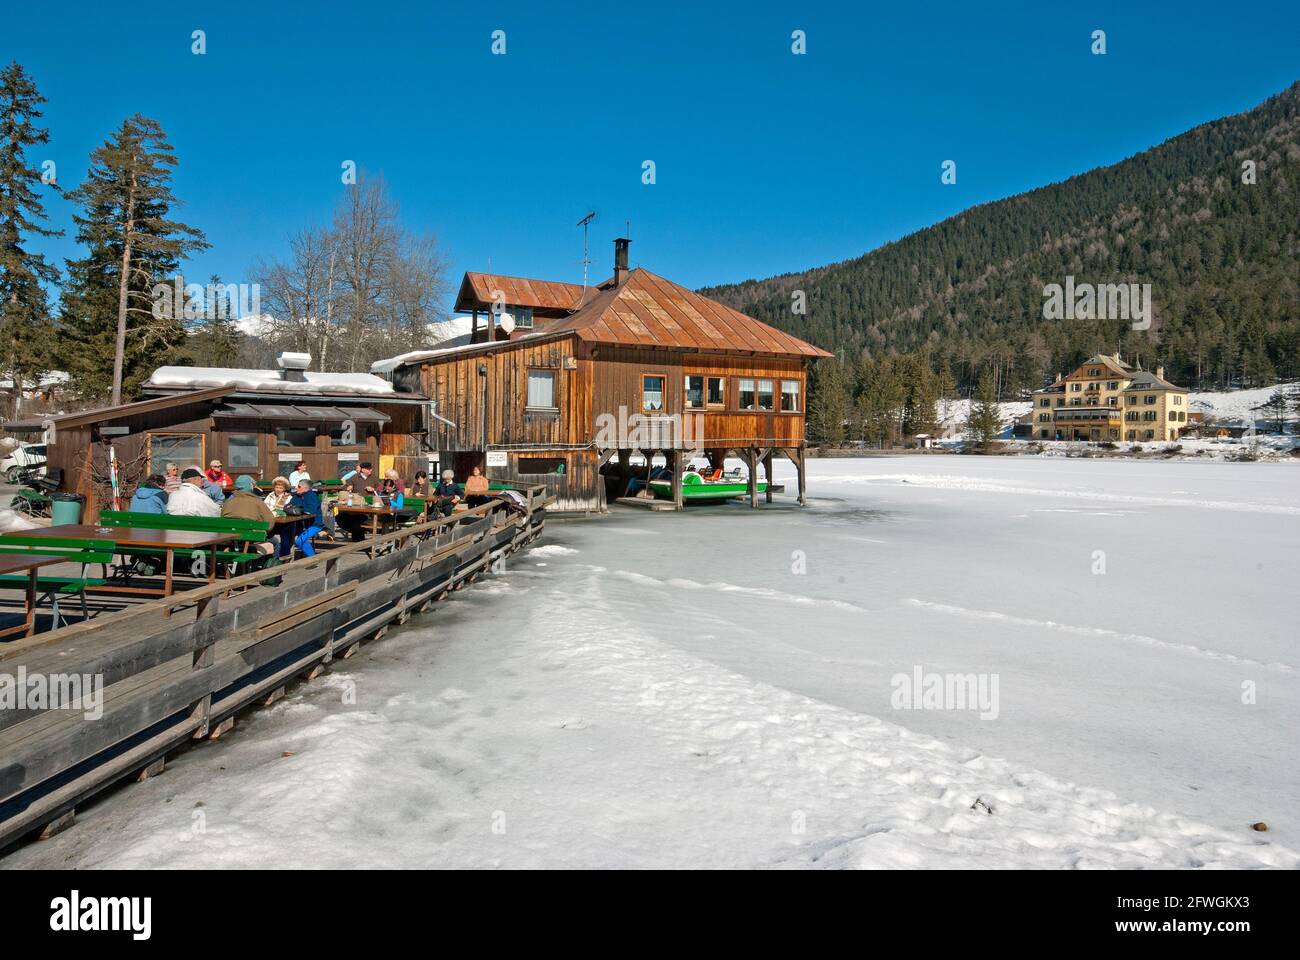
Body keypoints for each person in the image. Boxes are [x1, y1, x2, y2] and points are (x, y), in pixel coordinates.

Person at [221, 475, 277, 557]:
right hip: (251, 538)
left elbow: (222, 517)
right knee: (275, 541)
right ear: (250, 486)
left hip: (231, 538)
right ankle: (272, 566)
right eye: (253, 485)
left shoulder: (228, 501)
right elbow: (270, 522)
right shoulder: (257, 501)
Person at [288, 478, 324, 556]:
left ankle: (312, 559)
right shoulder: (296, 496)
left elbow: (311, 510)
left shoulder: (312, 496)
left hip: (315, 524)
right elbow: (289, 506)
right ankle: (283, 558)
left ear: (305, 488)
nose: (296, 488)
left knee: (299, 541)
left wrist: (298, 509)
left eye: (299, 486)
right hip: (300, 523)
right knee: (285, 534)